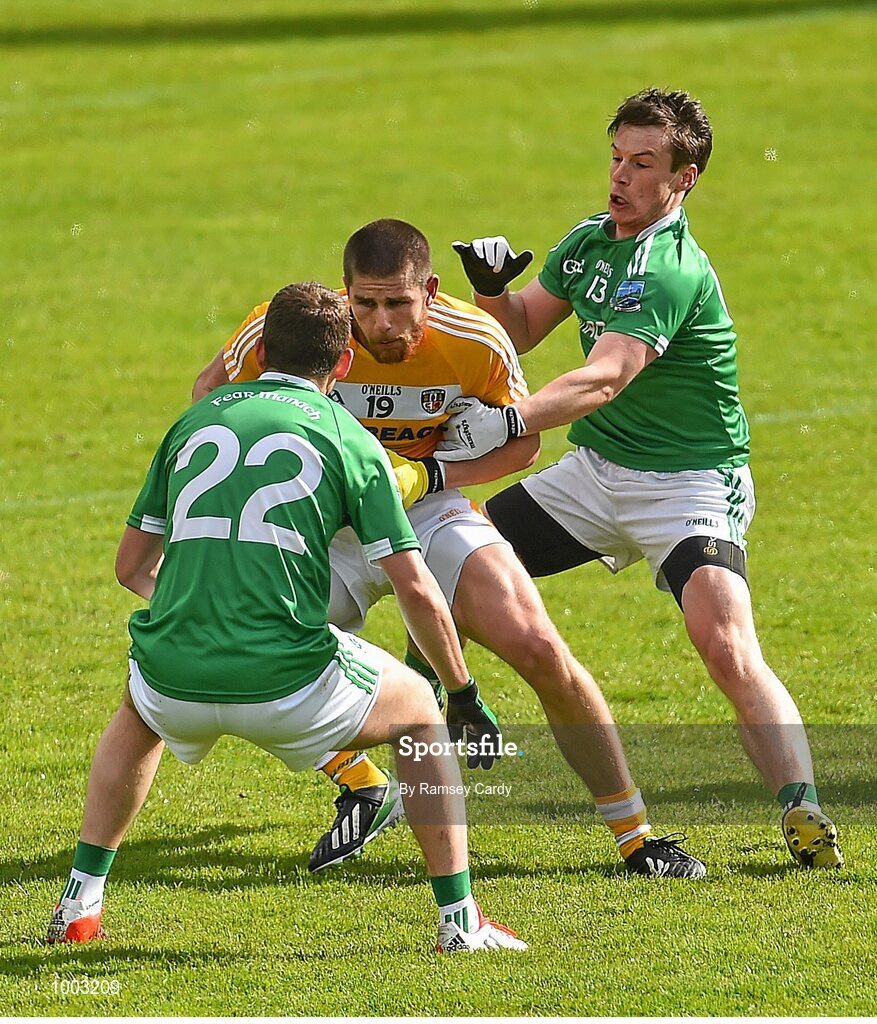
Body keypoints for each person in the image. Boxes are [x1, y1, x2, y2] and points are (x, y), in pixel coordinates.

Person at [194, 219, 707, 879]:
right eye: (365, 303)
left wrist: (433, 475)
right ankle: (363, 782)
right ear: (344, 291)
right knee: (240, 654)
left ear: (429, 292)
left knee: (538, 647)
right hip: (325, 523)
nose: (379, 322)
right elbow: (211, 393)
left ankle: (636, 839)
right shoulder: (289, 330)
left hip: (428, 508)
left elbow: (521, 445)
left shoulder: (474, 340)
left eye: (397, 303)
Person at [47, 282, 527, 953]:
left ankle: (79, 903)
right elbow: (415, 588)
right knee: (419, 710)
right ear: (344, 365)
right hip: (287, 687)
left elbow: (130, 567)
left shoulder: (195, 420)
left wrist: (205, 609)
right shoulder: (349, 440)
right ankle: (459, 922)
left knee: (138, 709)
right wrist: (462, 690)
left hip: (176, 678)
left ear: (263, 348)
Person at [444, 88, 842, 869]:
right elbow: (522, 325)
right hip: (593, 474)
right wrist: (491, 287)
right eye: (616, 157)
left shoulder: (669, 267)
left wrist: (511, 419)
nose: (619, 176)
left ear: (683, 178)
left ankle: (802, 810)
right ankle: (433, 729)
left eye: (642, 163)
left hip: (690, 485)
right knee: (450, 561)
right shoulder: (590, 240)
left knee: (722, 642)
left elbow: (603, 378)